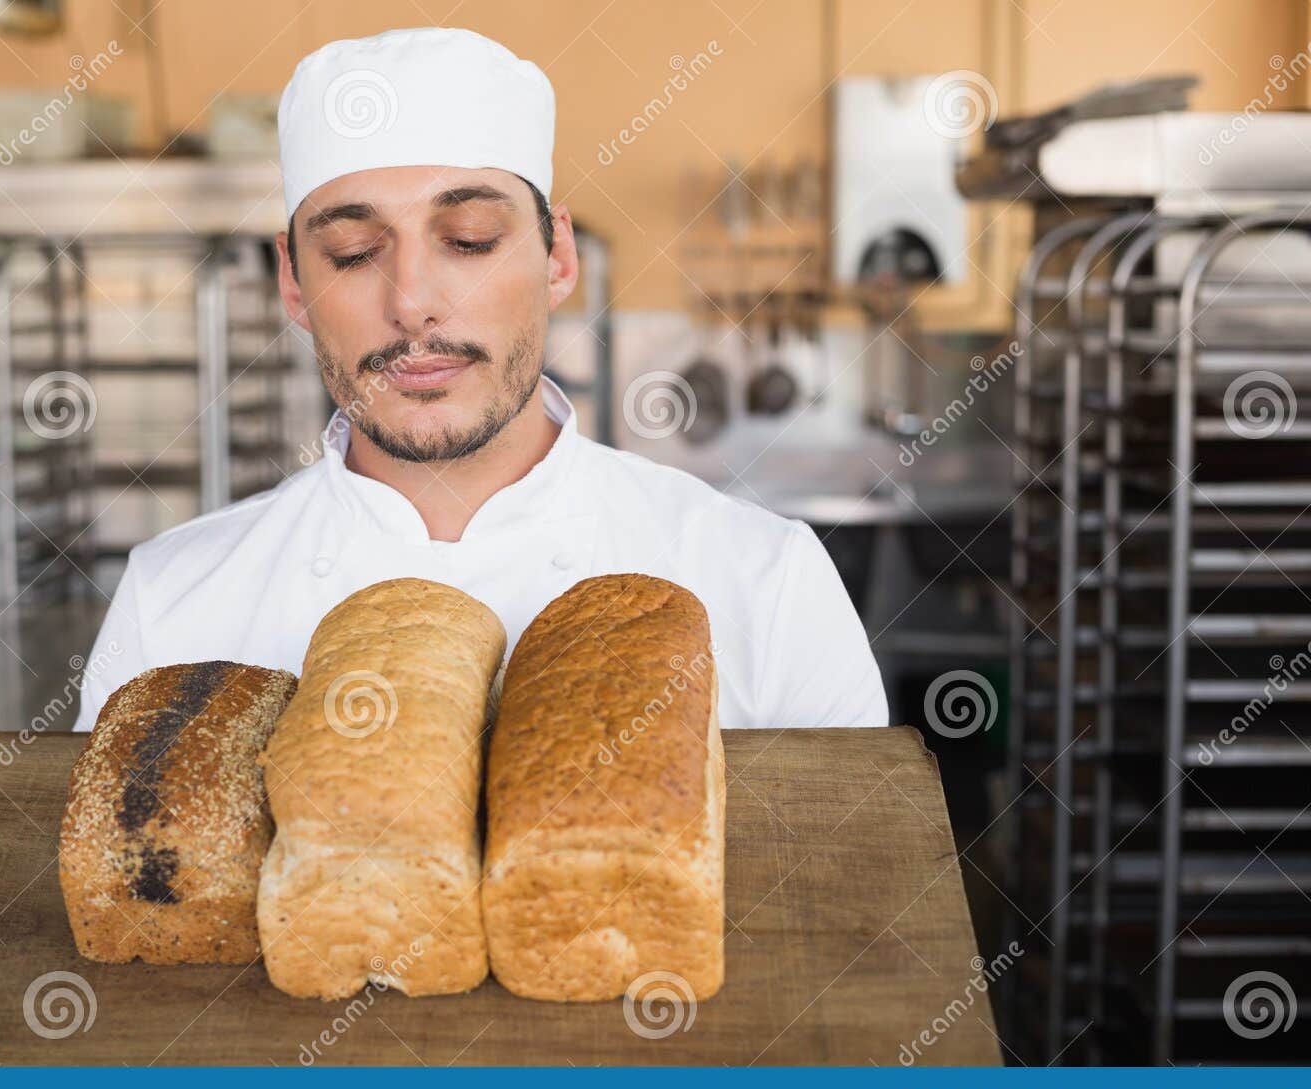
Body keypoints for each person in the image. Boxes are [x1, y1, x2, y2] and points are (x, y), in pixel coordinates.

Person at [72, 26, 885, 731]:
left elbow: (850, 900)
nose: (413, 302)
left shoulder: (765, 584)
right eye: (354, 251)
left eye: (468, 238)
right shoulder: (172, 606)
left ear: (558, 257)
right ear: (293, 282)